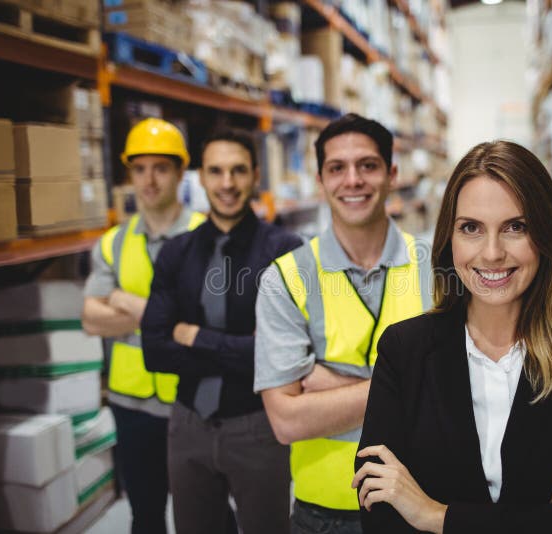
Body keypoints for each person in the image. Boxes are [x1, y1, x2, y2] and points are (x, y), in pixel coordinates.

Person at [352, 140, 552, 533]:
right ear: (448, 239)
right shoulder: (405, 350)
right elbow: (381, 517)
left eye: (515, 227)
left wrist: (435, 515)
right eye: (471, 228)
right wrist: (549, 513)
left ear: (546, 236)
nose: (491, 253)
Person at [254, 113, 432, 533]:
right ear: (320, 180)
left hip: (423, 503)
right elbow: (286, 421)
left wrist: (332, 385)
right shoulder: (286, 278)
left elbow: (459, 388)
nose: (352, 180)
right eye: (337, 168)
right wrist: (408, 385)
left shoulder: (438, 268)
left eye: (367, 165)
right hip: (324, 513)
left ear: (391, 174)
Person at [140, 129, 301, 533]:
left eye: (238, 171)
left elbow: (283, 355)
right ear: (201, 177)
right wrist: (242, 348)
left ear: (255, 175)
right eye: (216, 171)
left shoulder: (283, 250)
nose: (227, 184)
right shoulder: (176, 252)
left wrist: (196, 336)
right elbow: (155, 349)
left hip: (258, 426)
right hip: (187, 425)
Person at [82, 118, 206, 534]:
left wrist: (121, 300)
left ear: (179, 172)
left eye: (161, 167)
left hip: (193, 402)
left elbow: (209, 319)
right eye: (139, 168)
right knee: (145, 516)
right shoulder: (113, 242)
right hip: (131, 404)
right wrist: (167, 316)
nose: (149, 179)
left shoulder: (207, 237)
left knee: (207, 514)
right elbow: (90, 318)